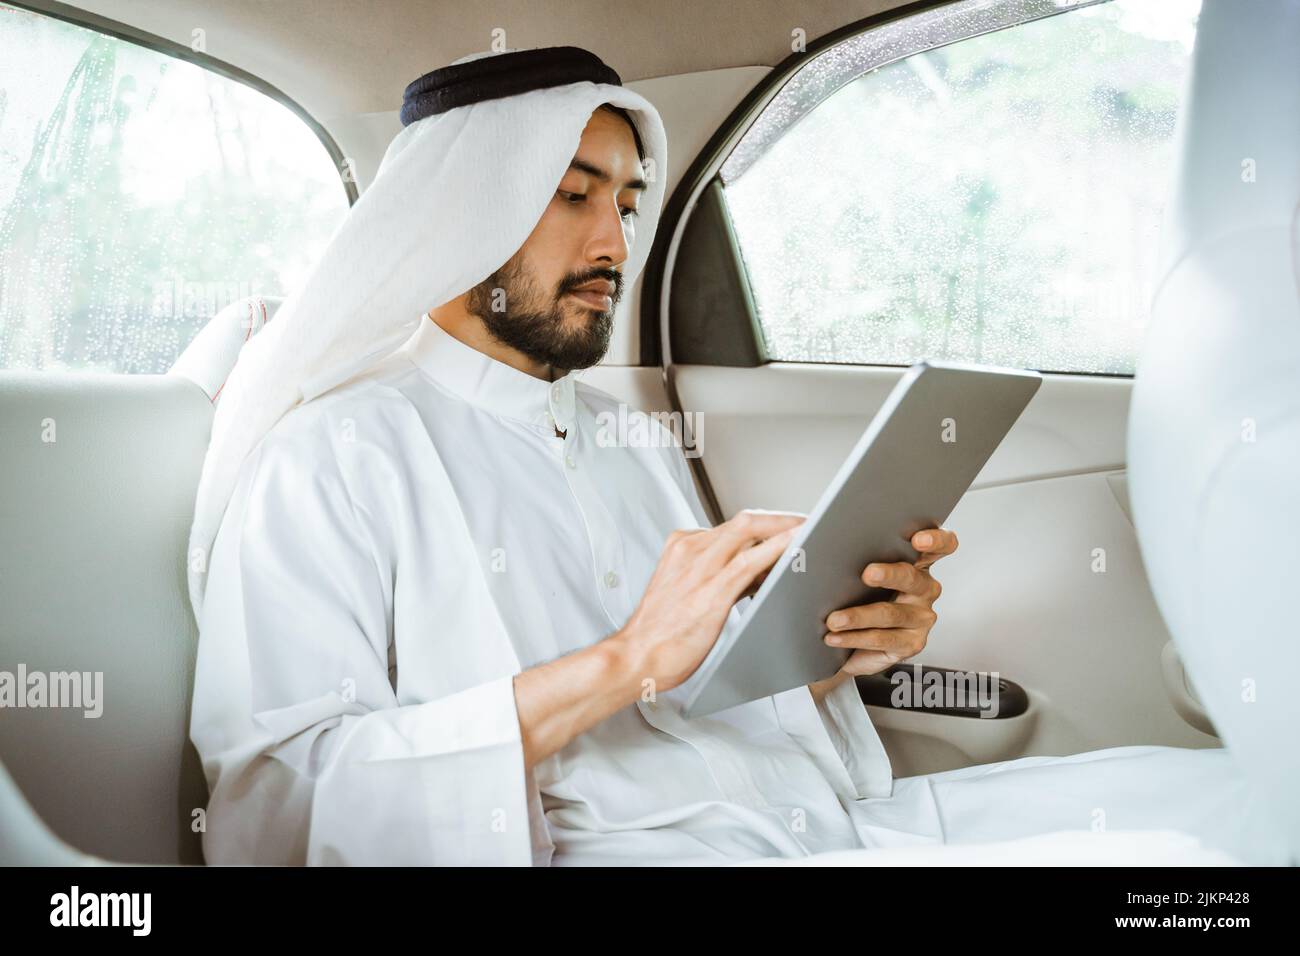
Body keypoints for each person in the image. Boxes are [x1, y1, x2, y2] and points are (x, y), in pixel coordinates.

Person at [187, 46, 1286, 867]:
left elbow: (690, 688)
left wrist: (827, 650)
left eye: (624, 201)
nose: (616, 242)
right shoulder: (328, 456)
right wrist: (625, 660)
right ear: (455, 213)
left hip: (825, 822)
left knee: (1255, 802)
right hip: (641, 851)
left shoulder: (622, 437)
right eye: (572, 195)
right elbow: (278, 811)